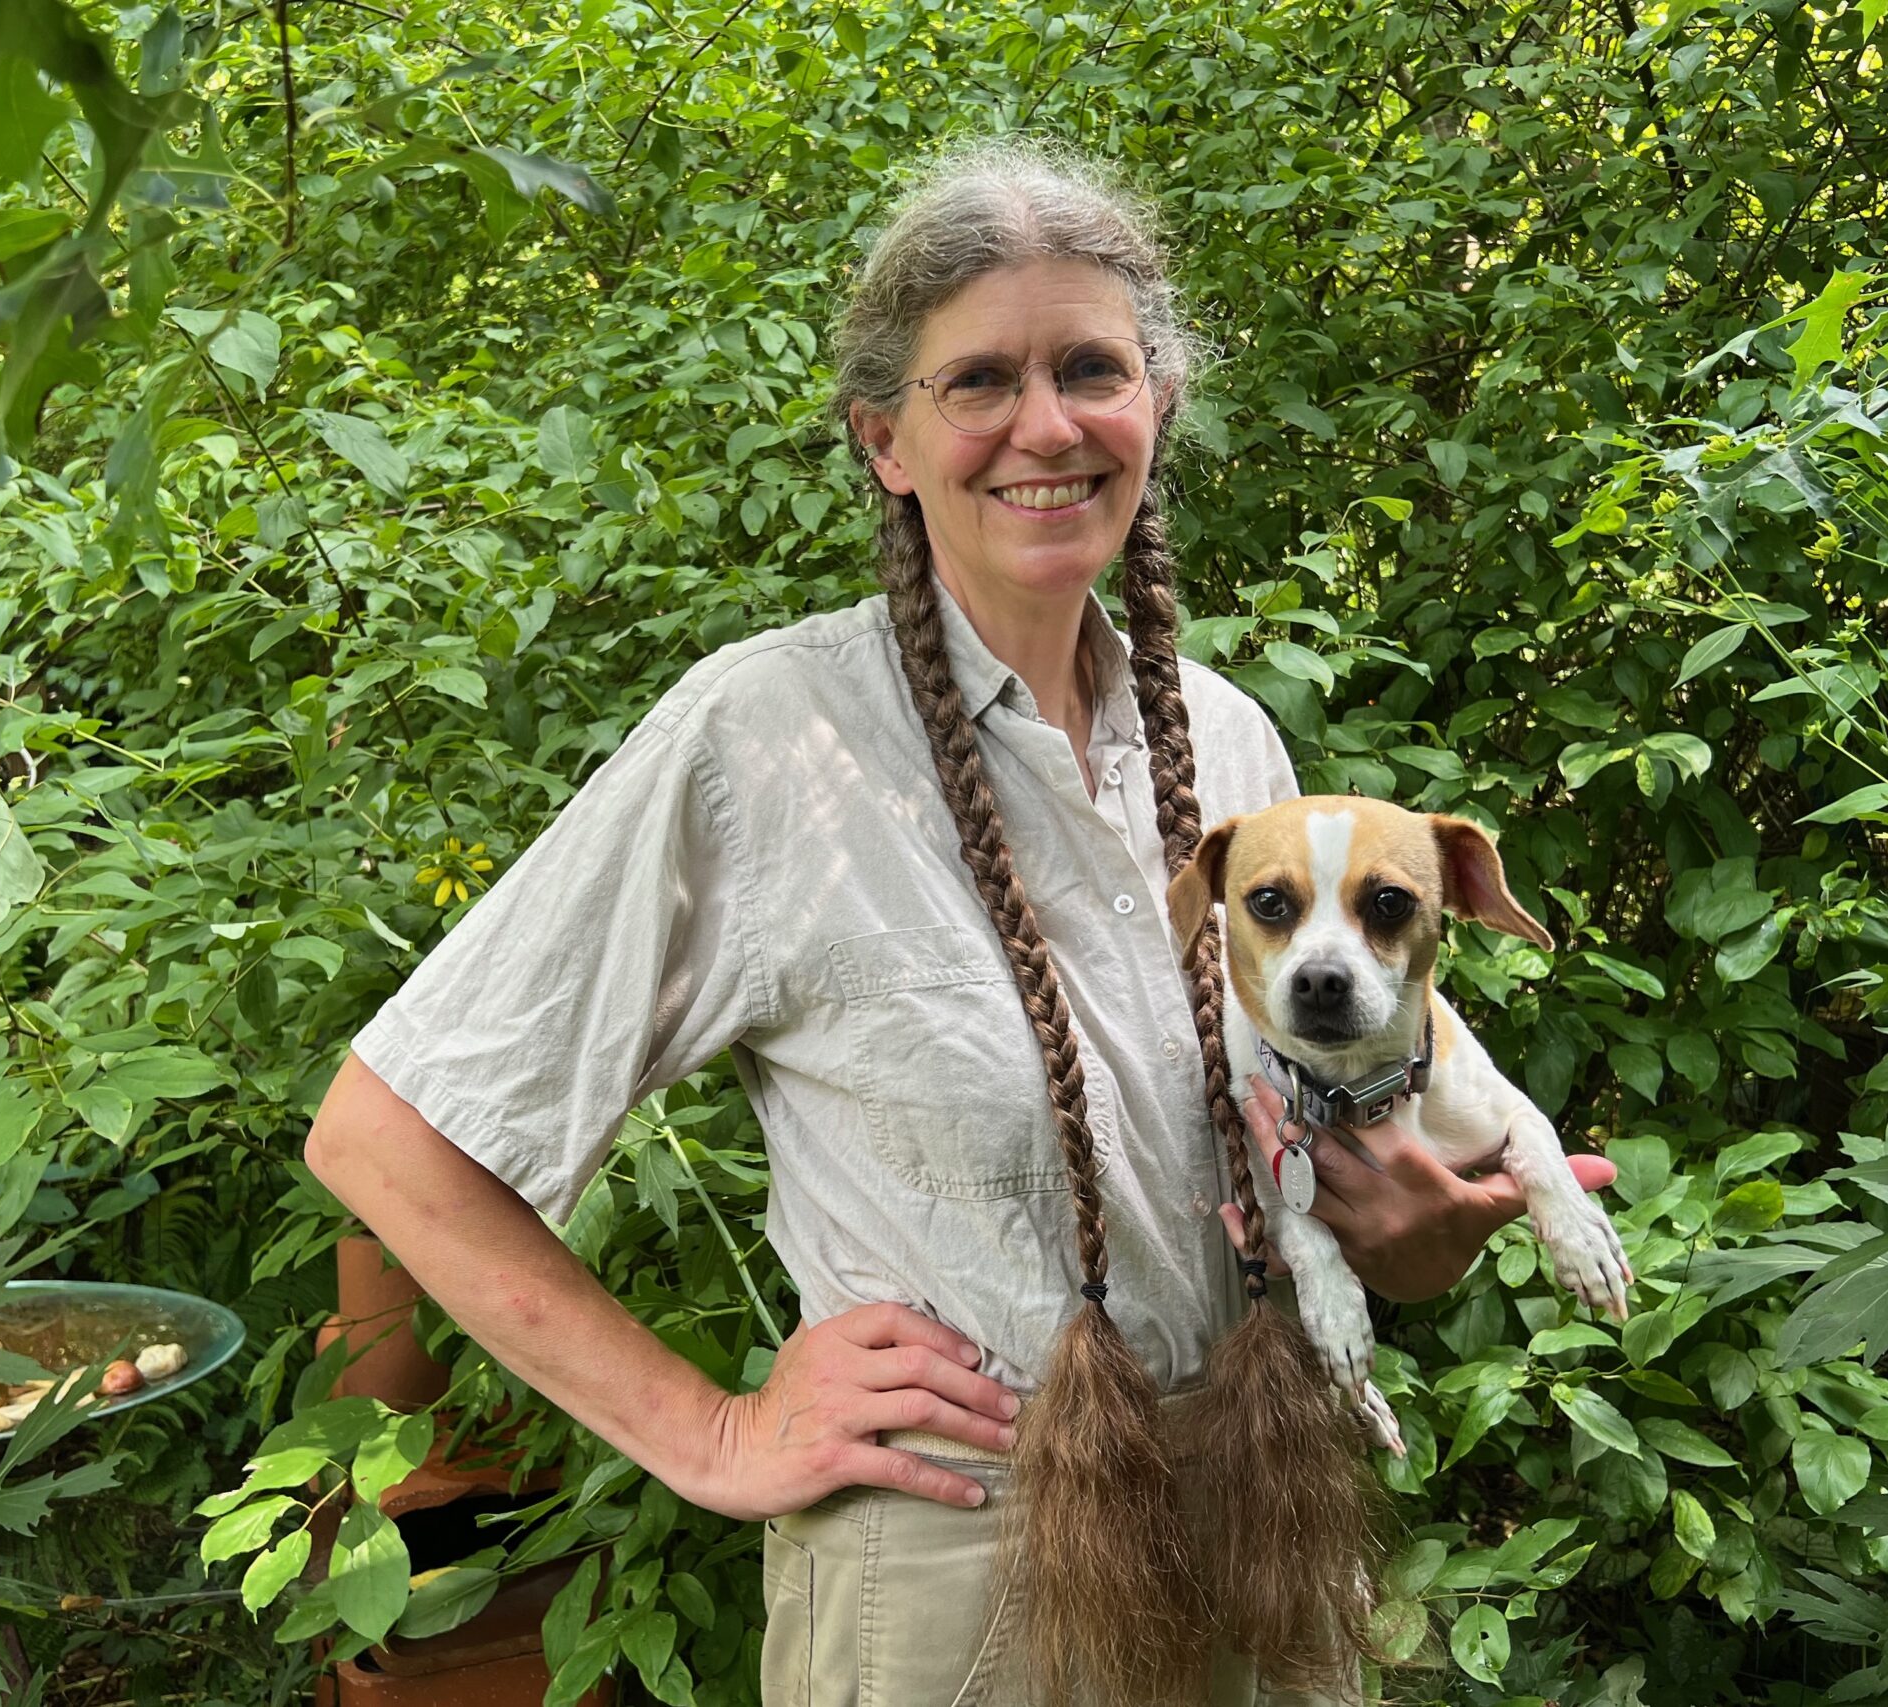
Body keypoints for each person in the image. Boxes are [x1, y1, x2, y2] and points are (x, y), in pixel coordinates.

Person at [304, 140, 1616, 1706]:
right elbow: (388, 1141)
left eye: (1091, 370)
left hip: (1264, 1512)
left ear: (1157, 407)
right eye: (977, 381)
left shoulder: (1235, 751)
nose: (1045, 426)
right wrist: (713, 1431)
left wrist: (1401, 1242)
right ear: (887, 442)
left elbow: (1287, 1160)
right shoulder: (761, 741)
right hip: (964, 1570)